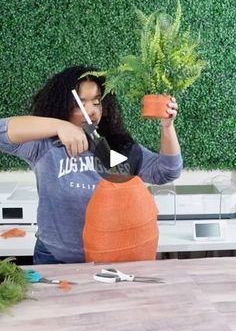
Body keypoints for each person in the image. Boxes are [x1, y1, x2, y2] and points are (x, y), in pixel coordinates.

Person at [0, 65, 182, 264]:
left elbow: (167, 171)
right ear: (62, 105)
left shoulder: (117, 147)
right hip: (55, 258)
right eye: (81, 104)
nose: (91, 111)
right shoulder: (45, 145)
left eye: (97, 102)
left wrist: (167, 127)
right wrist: (59, 126)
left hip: (111, 260)